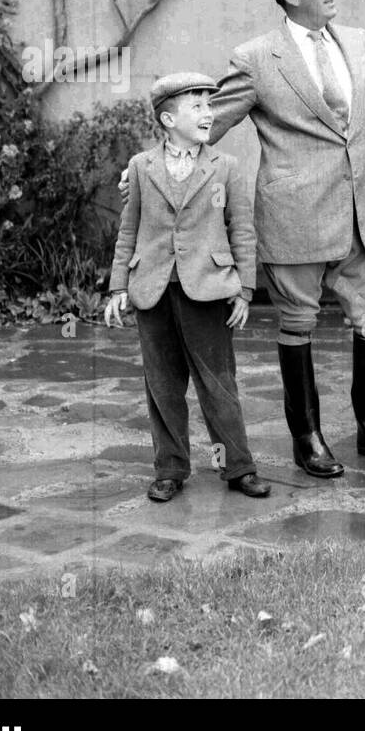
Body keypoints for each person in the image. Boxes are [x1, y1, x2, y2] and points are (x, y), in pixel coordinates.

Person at [120, 0, 365, 477]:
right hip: (294, 216)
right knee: (299, 323)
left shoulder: (360, 42)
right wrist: (155, 164)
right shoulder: (257, 58)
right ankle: (308, 438)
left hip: (359, 218)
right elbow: (207, 122)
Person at [104, 72, 269, 501]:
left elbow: (243, 230)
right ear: (167, 118)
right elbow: (129, 228)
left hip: (210, 287)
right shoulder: (141, 167)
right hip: (152, 288)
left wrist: (245, 289)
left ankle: (238, 467)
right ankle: (170, 468)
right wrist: (118, 286)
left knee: (218, 383)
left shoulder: (225, 167)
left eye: (209, 106)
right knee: (162, 384)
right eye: (196, 107)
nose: (207, 114)